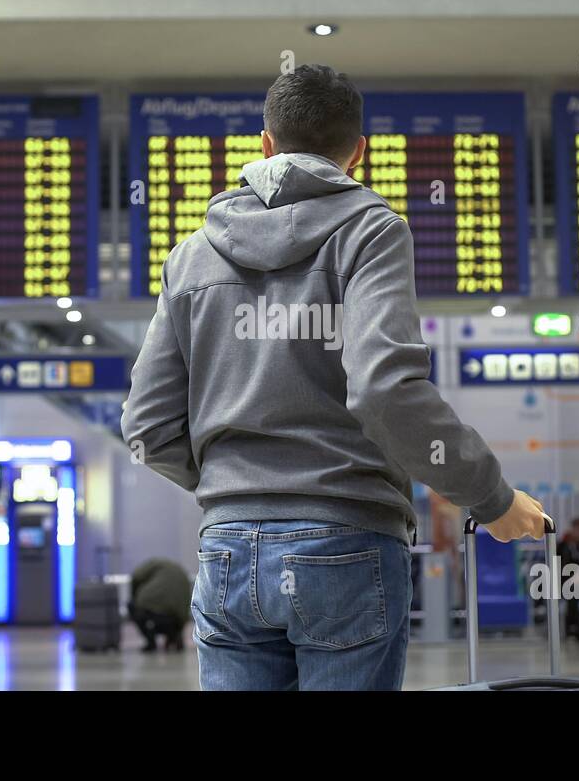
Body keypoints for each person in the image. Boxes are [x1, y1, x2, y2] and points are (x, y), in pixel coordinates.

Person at [121, 64, 548, 691]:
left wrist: (237, 486)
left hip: (228, 553)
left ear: (265, 144)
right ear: (359, 153)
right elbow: (383, 390)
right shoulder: (372, 231)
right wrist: (492, 499)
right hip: (347, 545)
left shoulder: (192, 255)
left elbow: (147, 426)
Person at [128, 558, 192, 652]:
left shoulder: (151, 565)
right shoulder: (180, 572)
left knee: (133, 606)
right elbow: (186, 608)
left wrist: (134, 596)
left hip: (153, 614)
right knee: (172, 614)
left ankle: (151, 642)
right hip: (176, 619)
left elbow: (136, 577)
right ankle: (174, 636)